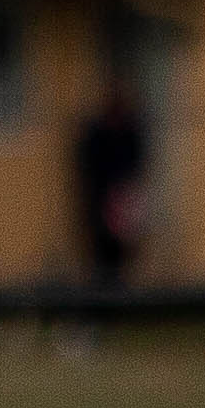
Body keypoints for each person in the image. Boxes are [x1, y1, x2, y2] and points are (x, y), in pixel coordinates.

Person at [71, 76, 151, 287]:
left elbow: (137, 166)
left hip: (120, 203)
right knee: (101, 255)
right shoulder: (97, 132)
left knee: (121, 255)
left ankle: (117, 295)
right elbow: (87, 168)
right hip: (100, 202)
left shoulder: (130, 130)